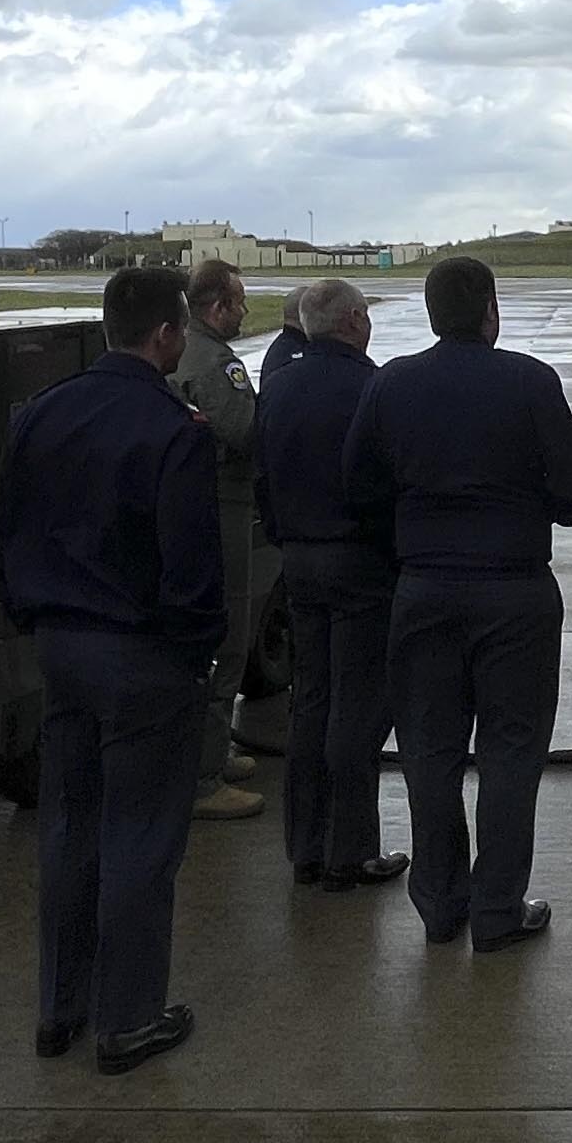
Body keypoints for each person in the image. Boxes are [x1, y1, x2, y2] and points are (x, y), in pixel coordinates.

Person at [0, 266, 224, 1073]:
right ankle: (127, 1017)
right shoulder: (175, 428)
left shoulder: (42, 413)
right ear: (166, 334)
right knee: (141, 836)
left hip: (60, 647)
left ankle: (60, 1007)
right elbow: (191, 569)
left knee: (69, 826)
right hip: (142, 653)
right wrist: (195, 654)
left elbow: (10, 530)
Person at [344, 256, 572, 953]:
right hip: (512, 586)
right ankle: (496, 908)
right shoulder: (529, 380)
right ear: (489, 308)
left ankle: (438, 903)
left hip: (423, 584)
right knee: (511, 753)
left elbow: (358, 486)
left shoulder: (392, 382)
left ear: (430, 313)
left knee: (429, 751)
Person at [254, 276, 408, 890]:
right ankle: (350, 851)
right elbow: (384, 482)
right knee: (358, 706)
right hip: (358, 563)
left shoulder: (278, 384)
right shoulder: (371, 387)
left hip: (298, 560)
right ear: (349, 322)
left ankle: (306, 847)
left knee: (309, 701)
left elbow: (263, 471)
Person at [166, 257, 268, 821]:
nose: (246, 311)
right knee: (226, 643)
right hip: (222, 504)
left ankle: (212, 754)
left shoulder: (185, 349)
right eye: (239, 301)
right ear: (217, 307)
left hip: (199, 503)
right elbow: (244, 429)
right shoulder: (214, 362)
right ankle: (204, 778)